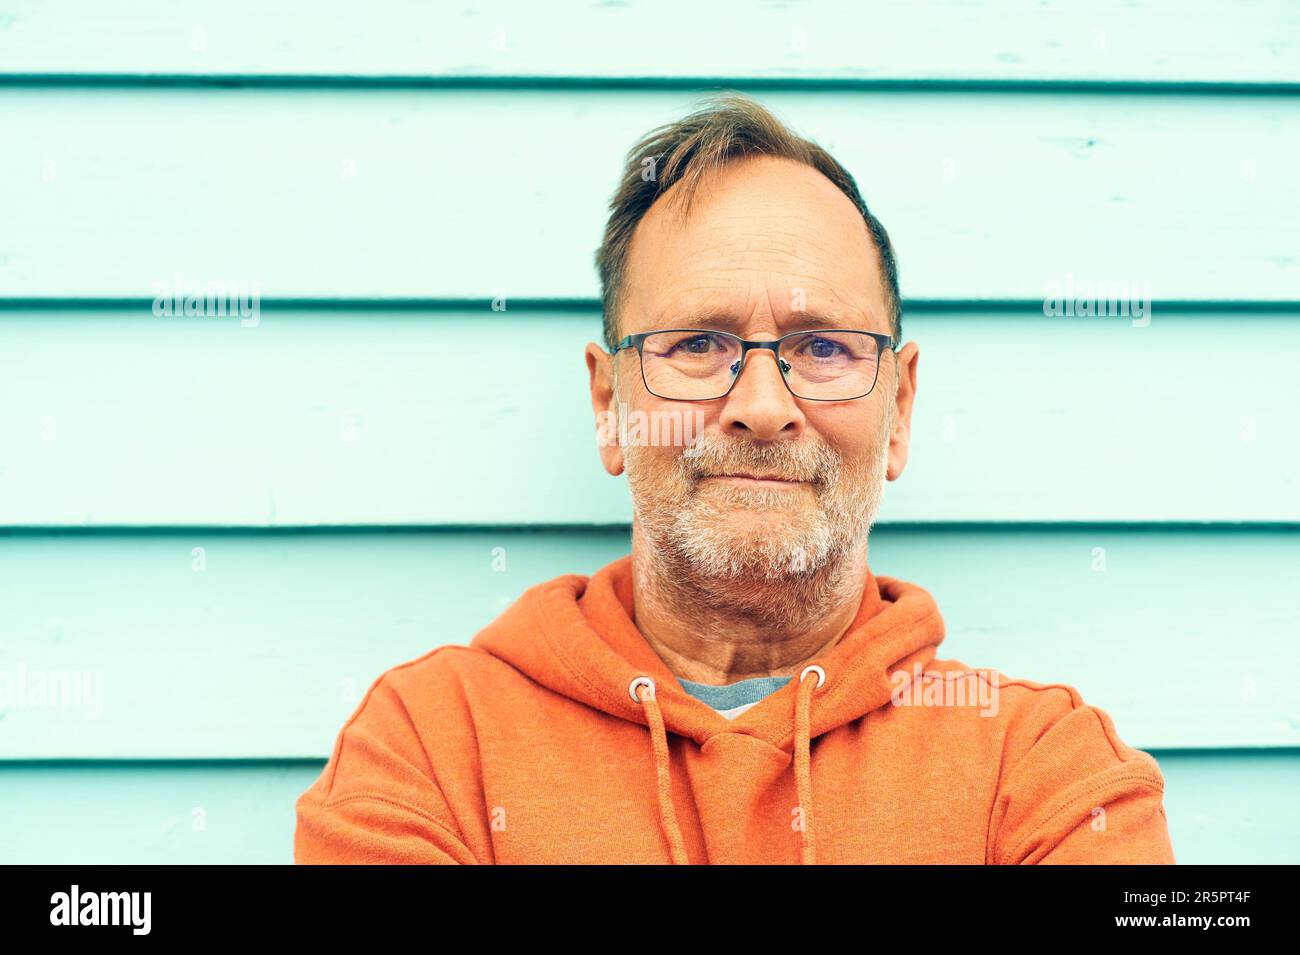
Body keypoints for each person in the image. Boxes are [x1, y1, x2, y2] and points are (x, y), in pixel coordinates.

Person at [294, 93, 1175, 864]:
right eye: (698, 344)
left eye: (823, 347)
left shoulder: (1047, 772)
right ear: (609, 405)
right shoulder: (430, 748)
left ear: (901, 410)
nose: (761, 404)